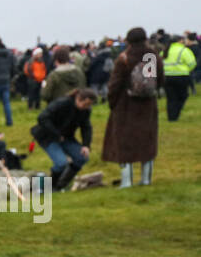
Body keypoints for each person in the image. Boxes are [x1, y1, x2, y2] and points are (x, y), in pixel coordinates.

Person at [103, 27, 160, 187]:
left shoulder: (124, 58)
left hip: (125, 105)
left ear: (128, 40)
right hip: (148, 105)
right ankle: (146, 178)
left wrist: (112, 102)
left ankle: (127, 181)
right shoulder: (152, 56)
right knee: (147, 140)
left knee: (124, 141)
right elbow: (160, 80)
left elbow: (114, 84)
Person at [32, 88, 96, 191]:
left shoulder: (86, 111)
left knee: (82, 158)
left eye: (89, 105)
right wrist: (56, 134)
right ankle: (48, 186)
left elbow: (86, 127)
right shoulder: (62, 103)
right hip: (48, 136)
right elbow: (42, 118)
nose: (87, 107)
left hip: (67, 138)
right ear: (78, 99)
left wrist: (86, 145)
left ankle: (61, 184)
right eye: (86, 104)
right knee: (61, 163)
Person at [162, 34, 198, 121]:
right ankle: (176, 113)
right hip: (181, 76)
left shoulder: (164, 50)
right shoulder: (184, 50)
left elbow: (159, 63)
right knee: (182, 96)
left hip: (167, 77)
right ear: (180, 41)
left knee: (171, 98)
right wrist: (186, 70)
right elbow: (192, 64)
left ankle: (171, 117)